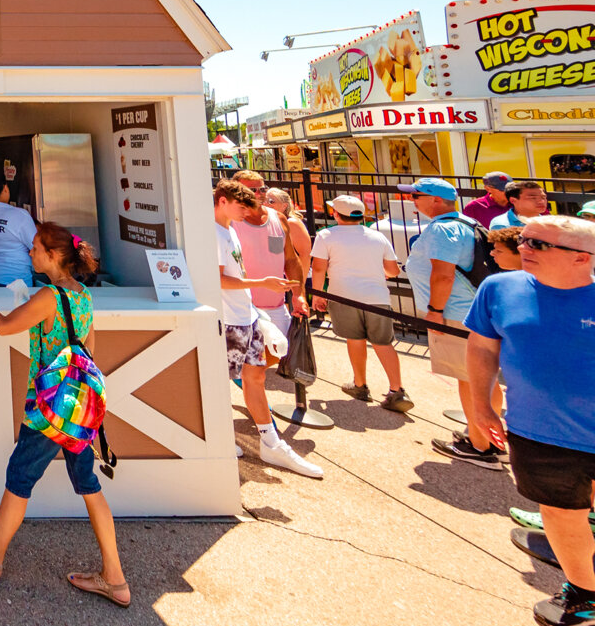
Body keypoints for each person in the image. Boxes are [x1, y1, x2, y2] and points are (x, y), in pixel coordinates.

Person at [0, 224, 130, 607]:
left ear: (52, 255)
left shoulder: (49, 296)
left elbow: (2, 327)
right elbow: (89, 350)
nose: (30, 253)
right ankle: (114, 578)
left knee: (20, 477)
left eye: (35, 248)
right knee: (89, 485)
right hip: (78, 409)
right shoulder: (82, 295)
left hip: (49, 410)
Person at [463, 214, 595, 626]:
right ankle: (584, 595)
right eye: (523, 240)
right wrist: (481, 407)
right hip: (538, 431)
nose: (523, 249)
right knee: (561, 515)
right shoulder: (498, 288)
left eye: (539, 244)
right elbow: (483, 348)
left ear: (582, 258)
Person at [213, 180, 323, 478]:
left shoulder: (230, 229)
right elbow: (218, 279)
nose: (246, 211)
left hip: (247, 313)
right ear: (223, 201)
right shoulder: (215, 232)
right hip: (233, 316)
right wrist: (262, 285)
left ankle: (270, 441)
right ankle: (227, 437)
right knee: (225, 380)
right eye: (241, 205)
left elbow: (287, 258)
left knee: (256, 376)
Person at [401, 178, 504, 469]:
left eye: (416, 196)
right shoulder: (466, 222)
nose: (413, 201)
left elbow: (443, 275)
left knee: (469, 378)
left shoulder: (442, 230)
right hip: (473, 311)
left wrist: (434, 310)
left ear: (434, 200)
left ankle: (478, 445)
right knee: (484, 378)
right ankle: (488, 437)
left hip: (456, 314)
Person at [309, 195, 410, 412]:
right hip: (377, 297)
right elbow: (393, 271)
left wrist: (318, 294)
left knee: (354, 339)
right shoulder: (377, 237)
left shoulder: (326, 235)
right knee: (384, 343)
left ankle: (360, 384)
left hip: (343, 295)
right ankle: (397, 389)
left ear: (335, 214)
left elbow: (319, 268)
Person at [230, 171, 296, 337]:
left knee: (282, 354)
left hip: (277, 307)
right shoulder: (227, 222)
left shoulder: (279, 219)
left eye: (262, 189)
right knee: (252, 361)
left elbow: (291, 259)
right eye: (252, 190)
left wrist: (299, 295)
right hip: (242, 307)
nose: (259, 194)